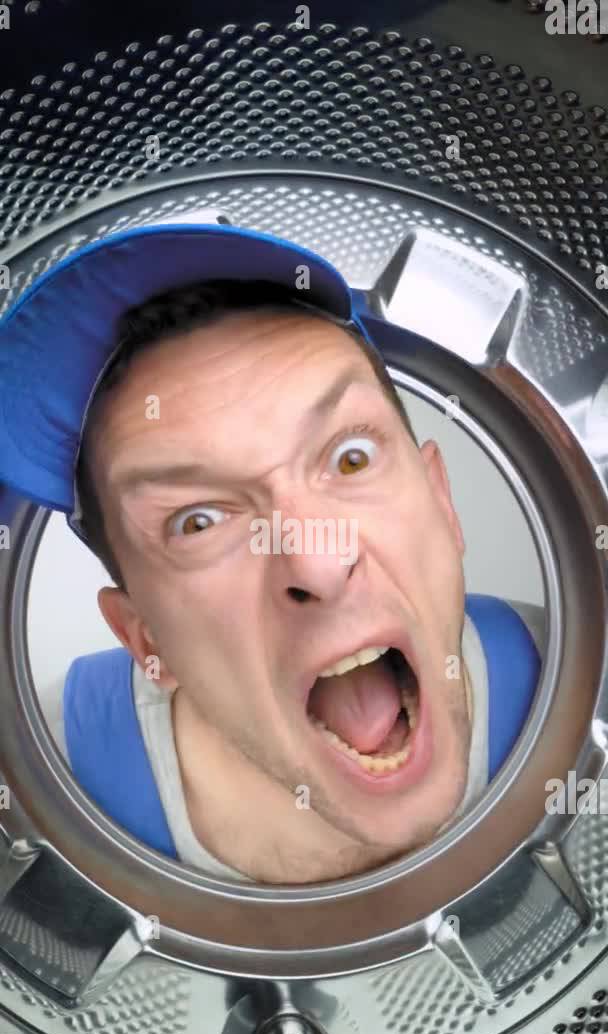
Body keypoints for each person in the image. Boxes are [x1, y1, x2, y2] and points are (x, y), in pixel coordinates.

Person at [0, 220, 545, 885]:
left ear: (443, 504)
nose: (317, 564)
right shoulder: (51, 777)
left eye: (350, 459)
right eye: (197, 522)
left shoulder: (575, 676)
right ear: (145, 642)